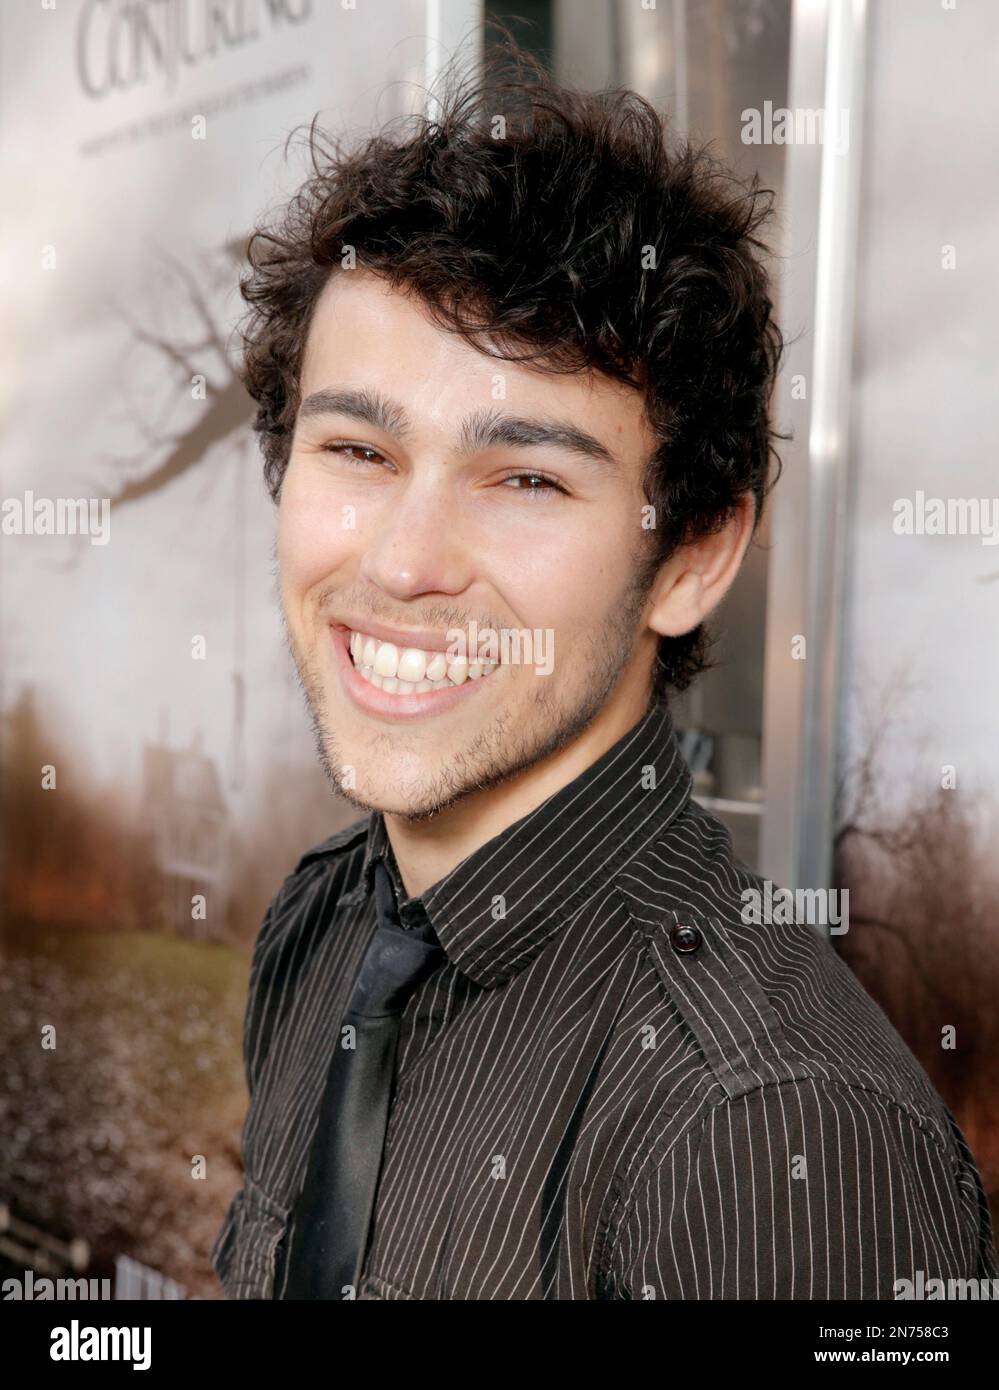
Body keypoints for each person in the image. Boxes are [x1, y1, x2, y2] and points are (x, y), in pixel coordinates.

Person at [210, 50, 997, 1300]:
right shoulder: (323, 924)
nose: (407, 563)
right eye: (358, 447)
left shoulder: (771, 1133)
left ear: (691, 556)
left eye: (527, 478)